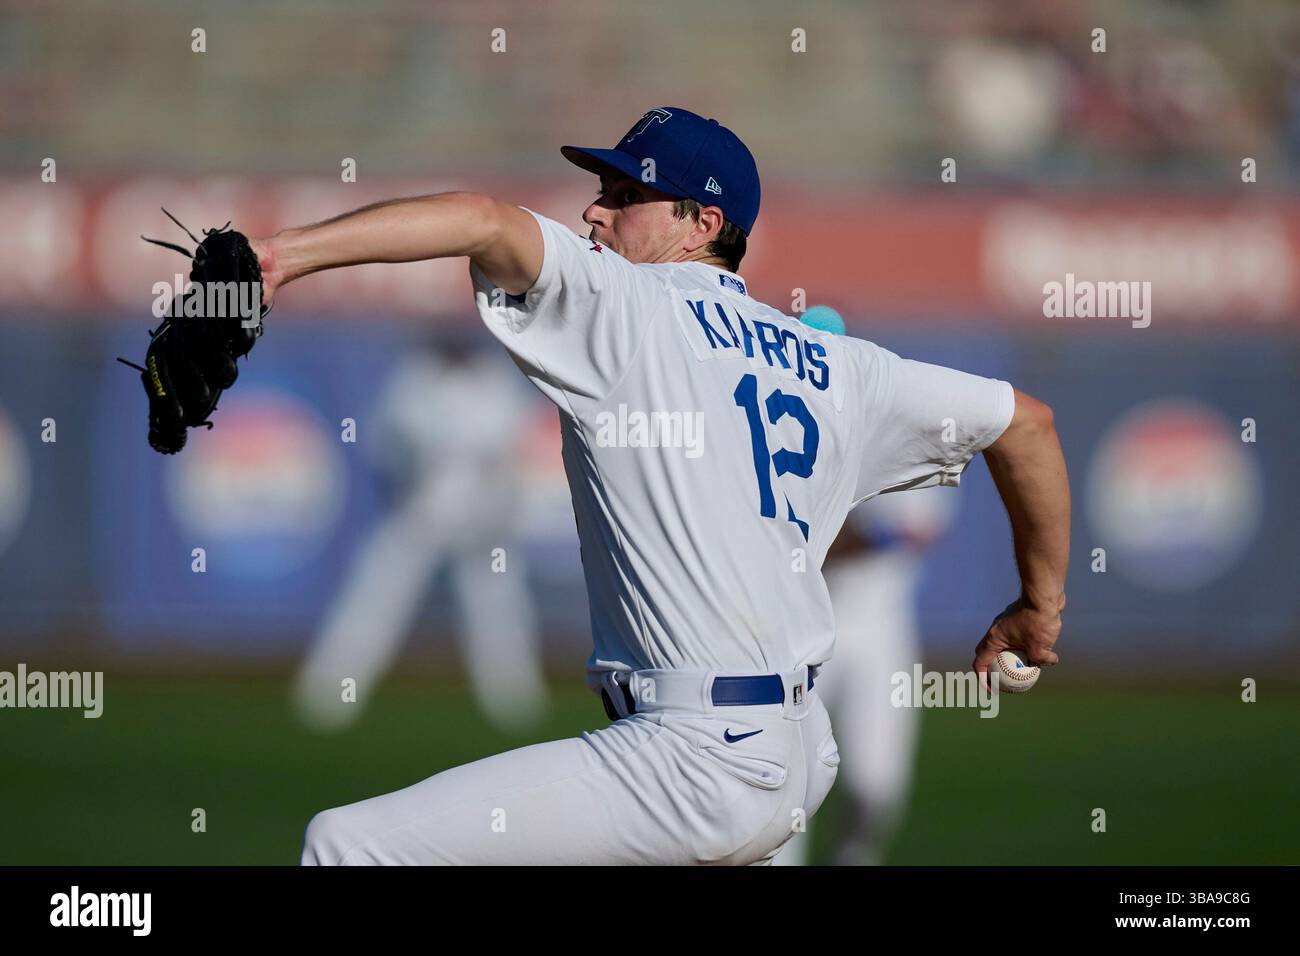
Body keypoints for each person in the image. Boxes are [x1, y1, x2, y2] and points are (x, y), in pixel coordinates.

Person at [250, 106, 1070, 865]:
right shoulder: (843, 368)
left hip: (692, 757)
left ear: (702, 225)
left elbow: (483, 221)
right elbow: (1027, 424)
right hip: (791, 751)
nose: (594, 213)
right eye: (600, 190)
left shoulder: (629, 307)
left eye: (626, 193)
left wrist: (283, 256)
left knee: (348, 848)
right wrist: (1040, 609)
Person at [293, 332, 547, 734]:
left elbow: (512, 450)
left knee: (498, 612)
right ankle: (330, 694)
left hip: (483, 521)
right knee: (376, 597)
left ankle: (513, 705)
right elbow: (387, 444)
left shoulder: (497, 380)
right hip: (422, 512)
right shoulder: (415, 379)